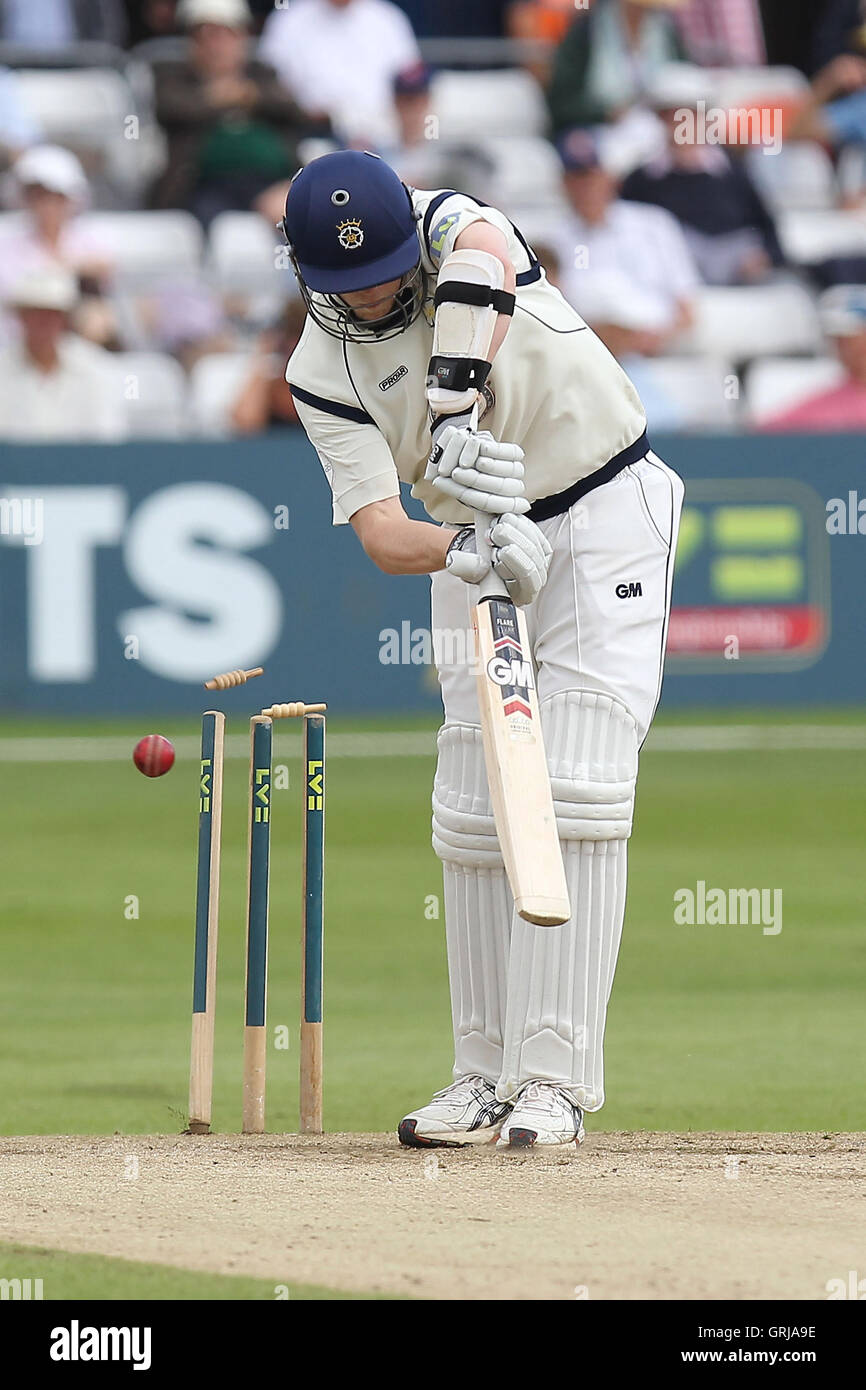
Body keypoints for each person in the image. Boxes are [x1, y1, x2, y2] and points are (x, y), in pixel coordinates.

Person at [281, 150, 683, 1149]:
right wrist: (467, 544)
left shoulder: (455, 226)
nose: (366, 295)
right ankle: (482, 1073)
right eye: (340, 283)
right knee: (469, 808)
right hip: (476, 549)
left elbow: (486, 253)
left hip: (600, 511)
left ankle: (553, 1080)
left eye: (376, 269)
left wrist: (454, 402)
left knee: (579, 785)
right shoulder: (315, 369)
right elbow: (381, 531)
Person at [151, 0, 315, 225]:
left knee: (300, 212)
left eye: (224, 35)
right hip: (201, 189)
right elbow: (170, 109)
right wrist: (218, 97)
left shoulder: (263, 74)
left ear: (242, 39)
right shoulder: (172, 78)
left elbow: (292, 108)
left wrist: (249, 95)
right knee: (212, 227)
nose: (215, 45)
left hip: (270, 183)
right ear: (192, 43)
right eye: (205, 36)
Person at [621, 65, 785, 285]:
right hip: (672, 284)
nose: (681, 125)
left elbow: (769, 230)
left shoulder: (734, 172)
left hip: (739, 278)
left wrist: (763, 258)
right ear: (660, 120)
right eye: (671, 116)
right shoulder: (641, 180)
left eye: (690, 115)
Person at [550, 127, 697, 359]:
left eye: (592, 176)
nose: (585, 187)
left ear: (610, 178)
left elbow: (687, 309)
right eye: (576, 178)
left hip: (658, 353)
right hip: (587, 357)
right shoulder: (552, 238)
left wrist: (658, 339)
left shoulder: (654, 224)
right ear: (563, 184)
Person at [0, 145, 118, 348]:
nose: (48, 205)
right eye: (39, 196)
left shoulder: (87, 237)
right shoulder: (6, 241)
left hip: (74, 338)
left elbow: (106, 269)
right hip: (19, 340)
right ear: (26, 198)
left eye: (56, 196)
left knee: (97, 316)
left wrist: (72, 266)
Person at [259, 0, 420, 147]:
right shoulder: (288, 19)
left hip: (383, 135)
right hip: (313, 135)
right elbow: (269, 84)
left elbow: (412, 83)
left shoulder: (387, 18)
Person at [0, 267, 126, 441]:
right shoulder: (3, 368)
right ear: (22, 317)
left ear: (65, 319)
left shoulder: (95, 368)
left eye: (53, 314)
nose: (44, 322)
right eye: (35, 313)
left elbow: (106, 438)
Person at [546, 0, 687, 135]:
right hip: (596, 128)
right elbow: (562, 102)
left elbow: (683, 76)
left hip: (657, 126)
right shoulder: (586, 30)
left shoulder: (665, 30)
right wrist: (607, 114)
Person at [760, 284, 866, 431]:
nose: (843, 344)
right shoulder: (818, 410)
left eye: (852, 335)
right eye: (837, 337)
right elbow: (762, 439)